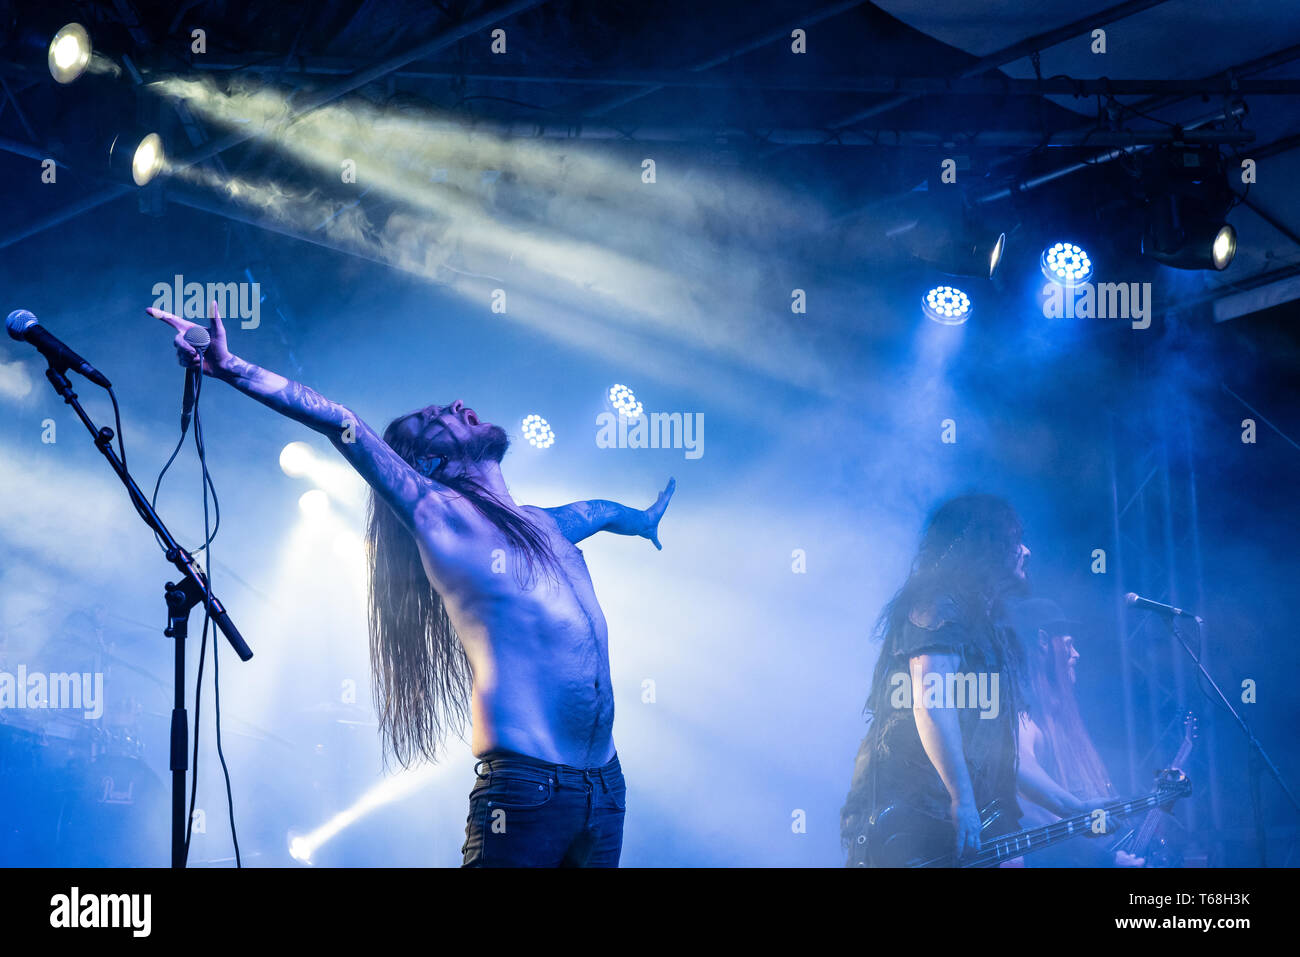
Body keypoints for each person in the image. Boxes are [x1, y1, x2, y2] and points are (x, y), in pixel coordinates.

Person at [147, 302, 675, 867]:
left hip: (605, 789)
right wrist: (232, 369)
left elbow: (597, 510)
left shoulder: (546, 525)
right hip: (527, 792)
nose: (453, 405)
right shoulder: (440, 514)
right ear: (431, 460)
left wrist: (641, 521)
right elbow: (338, 422)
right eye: (436, 417)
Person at [841, 494, 1030, 866]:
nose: (1025, 550)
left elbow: (996, 752)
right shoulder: (939, 605)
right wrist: (962, 800)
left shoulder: (988, 628)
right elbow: (932, 704)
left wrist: (1070, 805)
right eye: (1014, 539)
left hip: (964, 814)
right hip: (920, 816)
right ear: (988, 547)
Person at [1011, 598, 1144, 867]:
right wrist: (1104, 858)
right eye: (1069, 645)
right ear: (1042, 641)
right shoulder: (1025, 720)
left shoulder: (1056, 720)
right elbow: (1032, 810)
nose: (1076, 655)